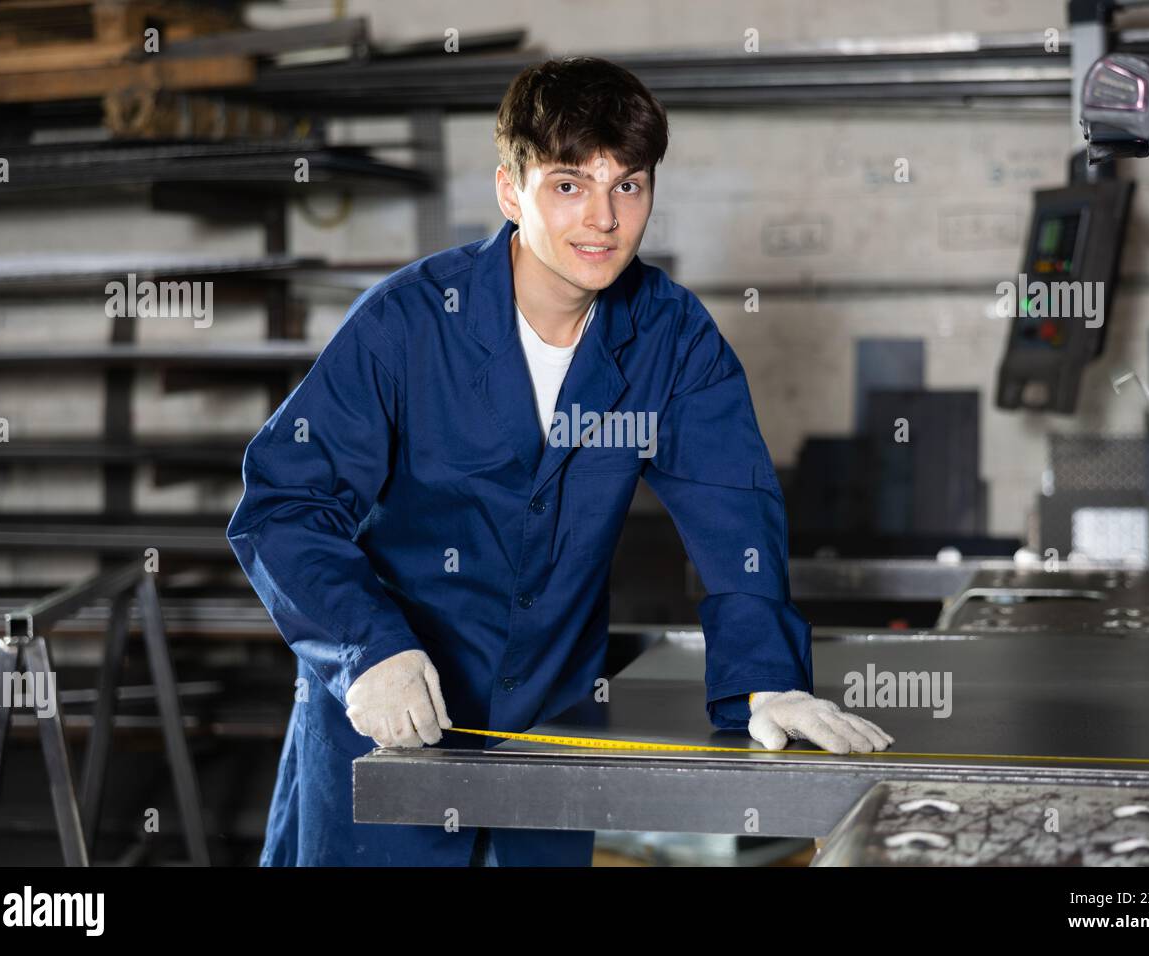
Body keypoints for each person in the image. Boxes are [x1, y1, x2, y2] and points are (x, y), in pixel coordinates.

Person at [227, 55, 892, 868]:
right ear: (511, 192)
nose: (604, 219)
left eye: (630, 186)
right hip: (387, 722)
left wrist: (768, 679)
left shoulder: (672, 339)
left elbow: (736, 514)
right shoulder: (406, 326)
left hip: (548, 732)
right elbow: (283, 505)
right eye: (570, 184)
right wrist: (368, 647)